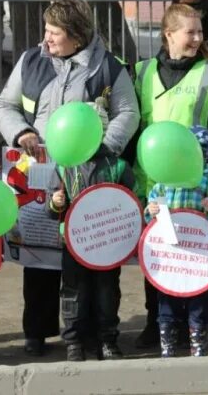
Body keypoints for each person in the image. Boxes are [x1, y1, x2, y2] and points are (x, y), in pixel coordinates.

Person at [0, 0, 140, 356]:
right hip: (39, 169)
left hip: (87, 173)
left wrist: (103, 147)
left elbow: (128, 112)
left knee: (88, 254)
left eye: (54, 32)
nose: (47, 38)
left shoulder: (108, 67)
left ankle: (89, 332)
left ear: (76, 35)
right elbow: (4, 105)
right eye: (46, 30)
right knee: (40, 254)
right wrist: (21, 133)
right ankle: (38, 330)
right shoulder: (31, 61)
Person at [132, 3, 208, 348]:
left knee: (191, 253)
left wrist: (206, 155)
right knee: (156, 252)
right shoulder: (142, 72)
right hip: (152, 180)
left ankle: (194, 325)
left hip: (193, 183)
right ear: (168, 34)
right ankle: (156, 322)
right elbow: (134, 122)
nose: (197, 38)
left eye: (200, 32)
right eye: (190, 32)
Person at [50, 100, 134, 362]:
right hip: (73, 244)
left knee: (107, 292)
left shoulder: (118, 166)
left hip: (108, 246)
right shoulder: (64, 165)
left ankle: (107, 339)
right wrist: (56, 203)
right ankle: (75, 342)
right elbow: (50, 211)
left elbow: (131, 205)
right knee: (74, 291)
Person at [145, 126, 208, 357]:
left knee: (200, 299)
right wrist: (151, 210)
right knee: (167, 297)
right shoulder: (165, 178)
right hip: (169, 254)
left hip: (201, 256)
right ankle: (168, 344)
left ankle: (198, 343)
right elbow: (151, 213)